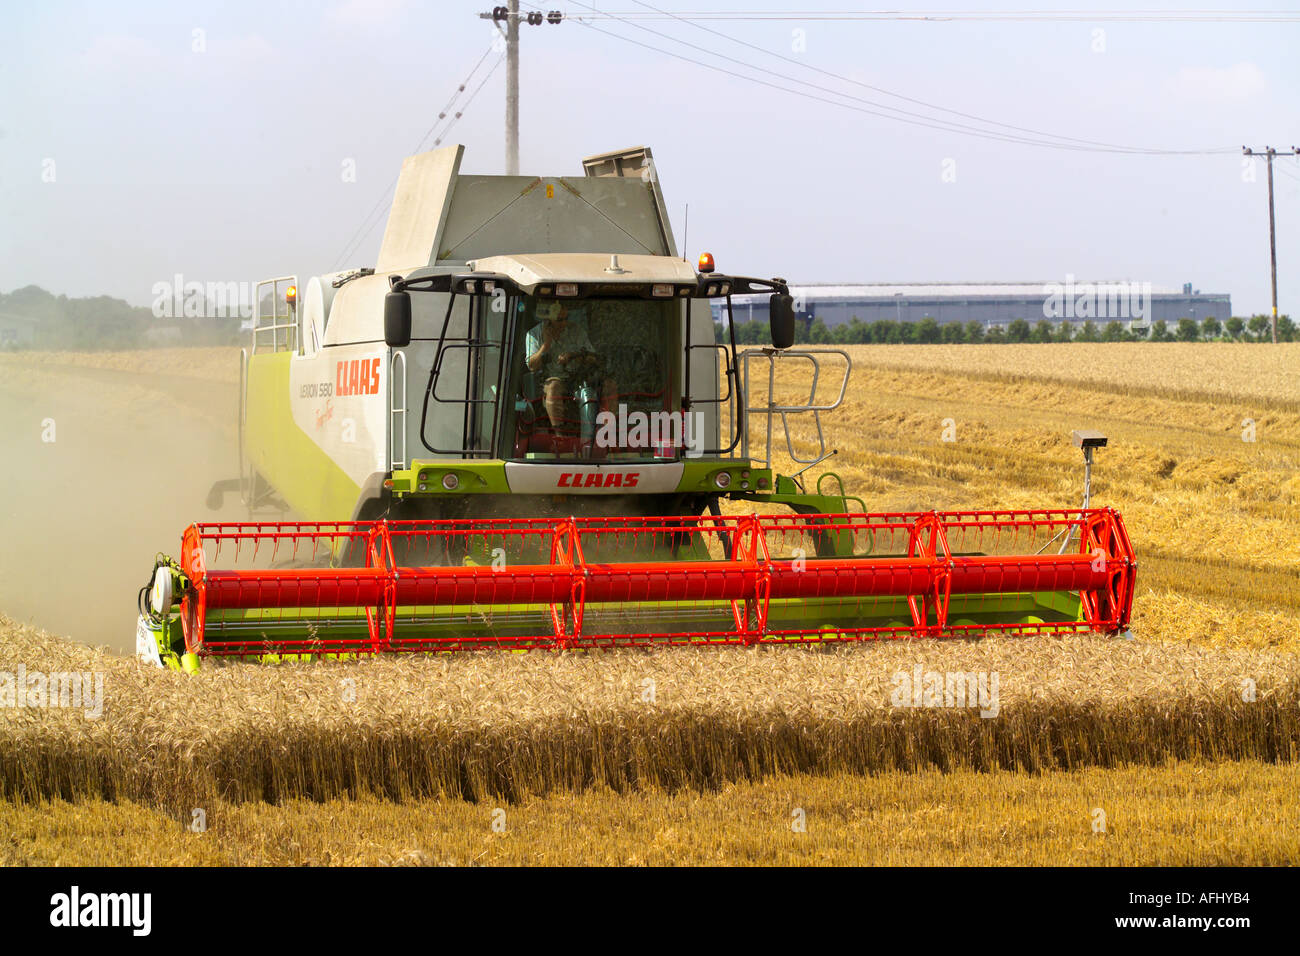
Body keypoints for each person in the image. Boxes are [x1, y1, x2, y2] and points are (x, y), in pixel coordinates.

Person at [524, 302, 616, 435]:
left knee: (609, 385)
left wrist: (575, 356)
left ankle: (609, 432)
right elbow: (531, 366)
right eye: (559, 320)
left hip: (578, 378)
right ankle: (559, 434)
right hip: (549, 380)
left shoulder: (576, 331)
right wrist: (546, 345)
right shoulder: (534, 334)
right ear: (547, 321)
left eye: (566, 318)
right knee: (554, 386)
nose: (564, 323)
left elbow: (594, 357)